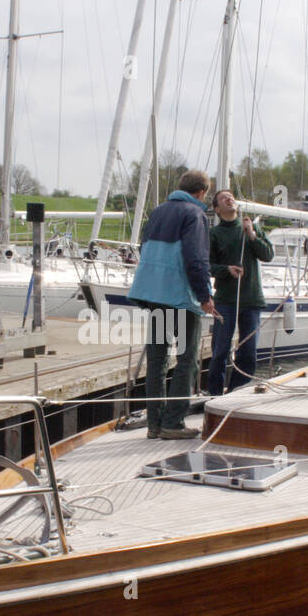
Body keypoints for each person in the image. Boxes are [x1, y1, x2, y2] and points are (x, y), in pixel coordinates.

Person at [128, 169, 217, 440]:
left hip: (154, 295)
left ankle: (154, 424)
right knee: (187, 359)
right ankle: (174, 423)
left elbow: (145, 249)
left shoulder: (158, 212)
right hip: (179, 296)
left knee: (157, 361)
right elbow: (195, 259)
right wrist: (205, 297)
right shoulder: (195, 215)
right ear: (202, 192)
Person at [207, 189, 274, 395]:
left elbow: (268, 255)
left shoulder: (251, 228)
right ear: (217, 209)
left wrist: (252, 236)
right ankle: (215, 394)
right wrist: (226, 270)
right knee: (220, 351)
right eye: (224, 198)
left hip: (251, 300)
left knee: (248, 353)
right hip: (225, 299)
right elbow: (207, 265)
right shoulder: (214, 234)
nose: (230, 199)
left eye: (231, 196)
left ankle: (237, 392)